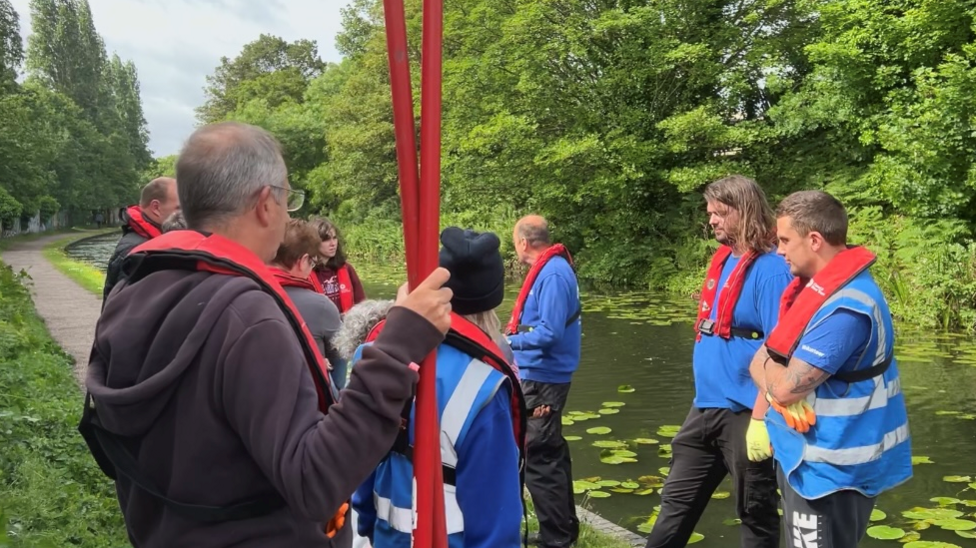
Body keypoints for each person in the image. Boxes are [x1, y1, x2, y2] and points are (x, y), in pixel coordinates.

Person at [79, 121, 454, 548]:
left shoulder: (136, 287)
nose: (288, 213)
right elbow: (316, 480)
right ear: (264, 204)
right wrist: (398, 343)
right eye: (288, 198)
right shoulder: (248, 318)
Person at [749, 190, 912, 548]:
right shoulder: (817, 292)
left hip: (832, 468)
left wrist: (767, 370)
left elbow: (785, 386)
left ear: (815, 240)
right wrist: (767, 367)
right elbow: (763, 361)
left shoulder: (846, 309)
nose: (779, 250)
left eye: (785, 240)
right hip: (810, 460)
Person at [351, 227, 526, 548]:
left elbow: (356, 471)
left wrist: (369, 525)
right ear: (492, 302)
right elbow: (497, 523)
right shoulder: (483, 388)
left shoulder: (375, 357)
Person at [643, 175, 788, 548]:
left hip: (744, 411)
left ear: (745, 211)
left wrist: (761, 417)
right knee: (675, 503)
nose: (712, 221)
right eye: (710, 213)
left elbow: (781, 351)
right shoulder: (725, 259)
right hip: (705, 406)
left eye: (720, 213)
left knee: (755, 511)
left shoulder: (771, 270)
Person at [504, 215, 581, 548]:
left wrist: (506, 343)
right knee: (550, 453)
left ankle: (556, 540)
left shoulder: (552, 274)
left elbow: (549, 333)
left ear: (523, 242)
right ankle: (561, 530)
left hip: (543, 378)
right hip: (539, 374)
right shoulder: (552, 269)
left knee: (540, 458)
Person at [269, 219, 343, 359]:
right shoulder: (322, 306)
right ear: (303, 261)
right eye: (313, 262)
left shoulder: (247, 290)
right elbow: (341, 353)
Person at [102, 177, 180, 301]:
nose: (187, 215)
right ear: (156, 208)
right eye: (179, 208)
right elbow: (125, 309)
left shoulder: (148, 244)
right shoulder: (138, 251)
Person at [312, 217, 366, 389]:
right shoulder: (306, 271)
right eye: (326, 239)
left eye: (334, 238)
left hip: (341, 337)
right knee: (321, 386)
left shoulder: (346, 269)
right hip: (317, 339)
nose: (332, 243)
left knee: (339, 384)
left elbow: (361, 303)